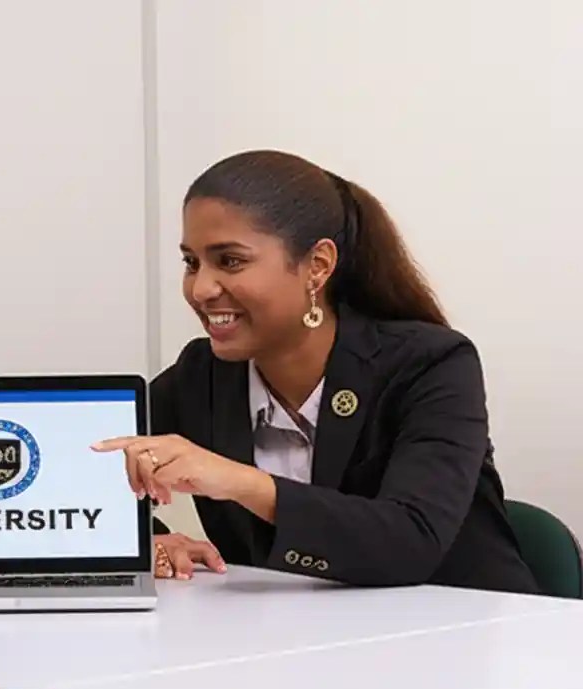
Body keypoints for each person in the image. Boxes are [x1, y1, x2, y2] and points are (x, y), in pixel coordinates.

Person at [93, 149, 539, 595]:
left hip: (464, 637)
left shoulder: (432, 364)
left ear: (318, 266)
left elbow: (410, 540)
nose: (200, 288)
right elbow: (77, 479)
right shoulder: (202, 375)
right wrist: (146, 540)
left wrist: (236, 480)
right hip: (296, 645)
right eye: (192, 262)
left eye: (229, 261)